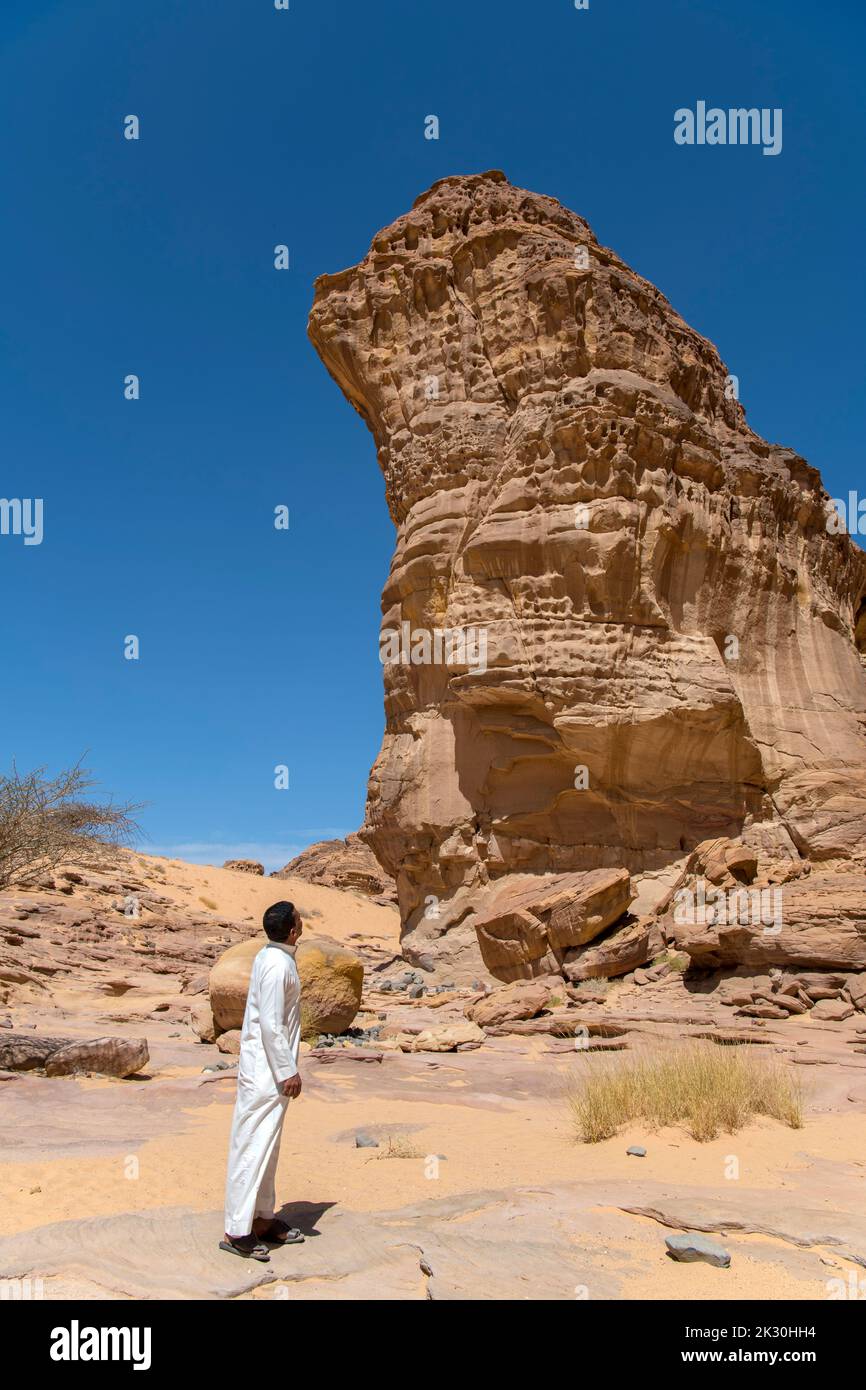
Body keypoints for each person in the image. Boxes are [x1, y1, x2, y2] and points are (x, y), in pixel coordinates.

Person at [220, 900, 305, 1260]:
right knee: (252, 1145)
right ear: (292, 929)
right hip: (266, 1073)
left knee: (267, 1146)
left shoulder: (276, 957)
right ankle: (237, 1230)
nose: (302, 922)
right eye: (299, 919)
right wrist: (287, 1070)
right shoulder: (275, 964)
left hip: (270, 1071)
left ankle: (264, 1219)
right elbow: (270, 1024)